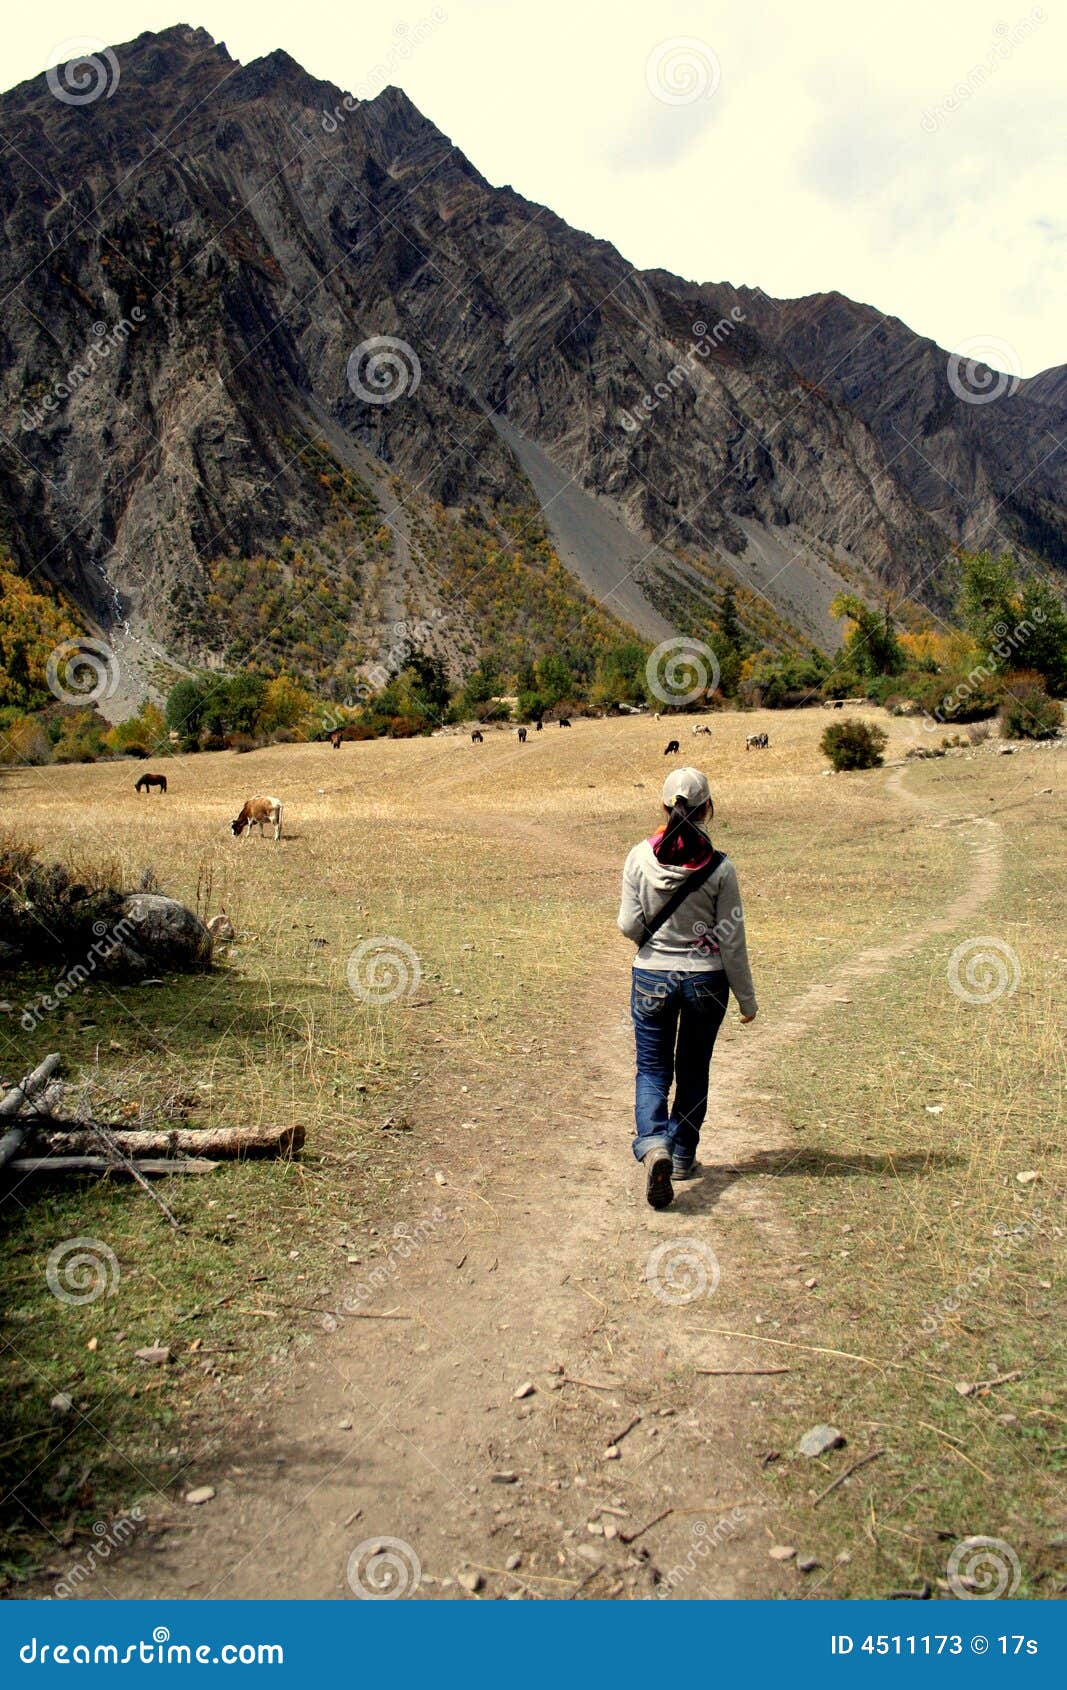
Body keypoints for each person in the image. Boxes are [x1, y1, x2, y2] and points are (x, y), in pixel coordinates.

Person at [617, 767, 758, 1209]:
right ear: (708, 810)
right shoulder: (721, 868)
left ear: (664, 806)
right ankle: (682, 1157)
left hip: (652, 977)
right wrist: (747, 999)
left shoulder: (639, 857)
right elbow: (731, 938)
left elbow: (627, 924)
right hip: (707, 981)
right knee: (694, 1068)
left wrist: (652, 933)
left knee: (653, 1069)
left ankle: (654, 1145)